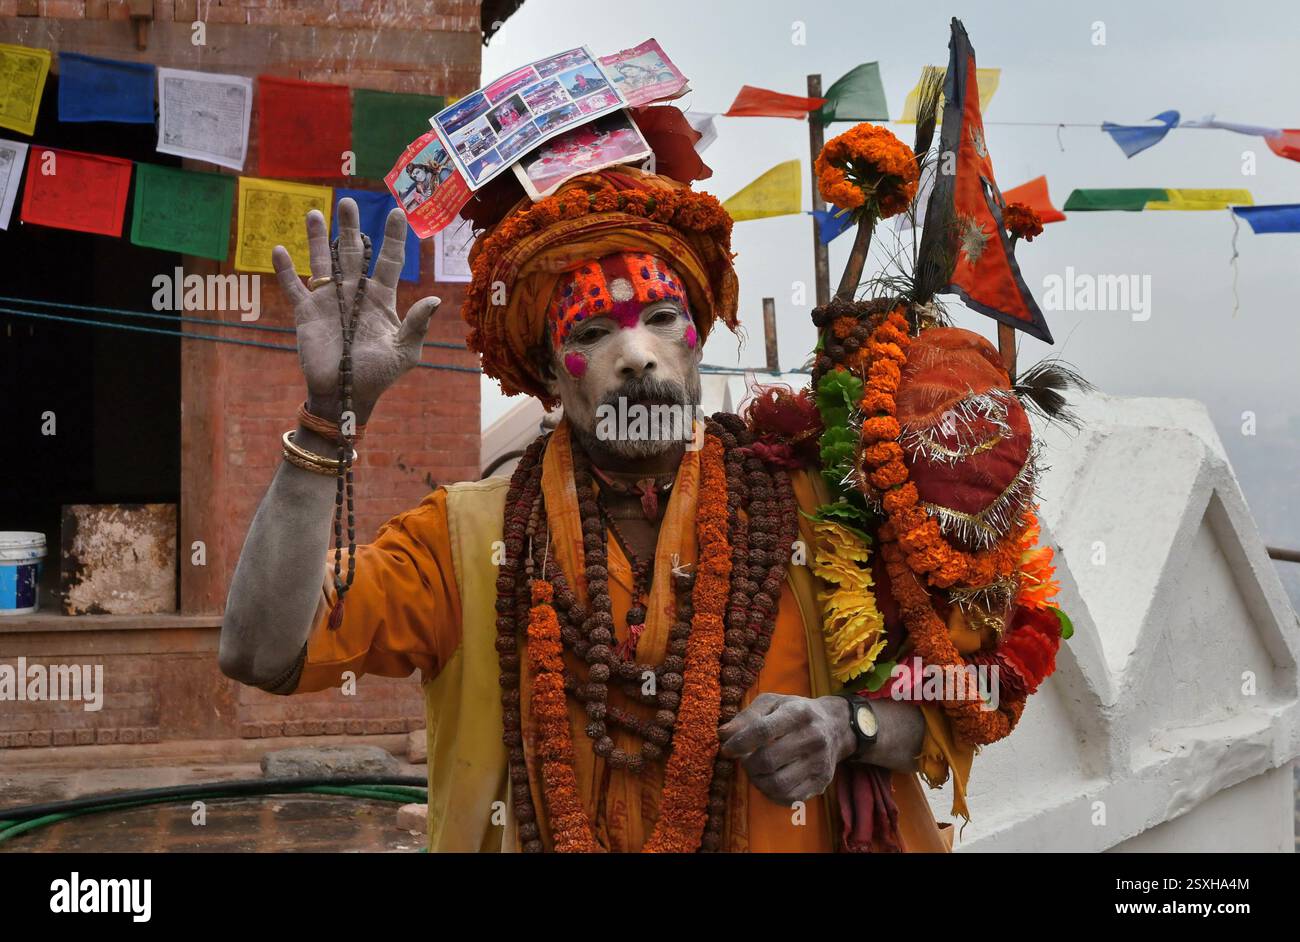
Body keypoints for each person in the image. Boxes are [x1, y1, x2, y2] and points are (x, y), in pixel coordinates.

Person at [219, 165, 1059, 853]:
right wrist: (328, 415)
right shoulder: (465, 538)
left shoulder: (822, 506)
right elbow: (261, 650)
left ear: (696, 342)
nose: (634, 355)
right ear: (550, 375)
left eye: (662, 318)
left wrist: (850, 724)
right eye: (589, 336)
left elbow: (968, 693)